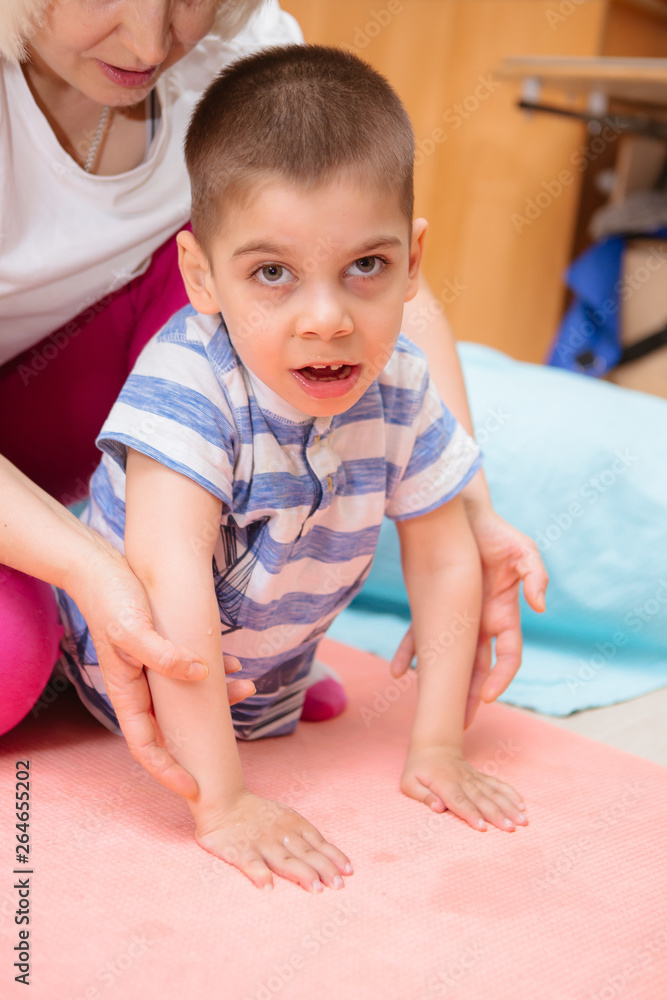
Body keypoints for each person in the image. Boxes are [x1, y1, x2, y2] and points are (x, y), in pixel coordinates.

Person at [0, 0, 548, 792]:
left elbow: (371, 272)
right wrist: (97, 574)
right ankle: (79, 630)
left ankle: (252, 660)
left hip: (90, 397)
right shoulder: (191, 365)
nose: (153, 42)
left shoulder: (245, 56)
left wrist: (469, 500)